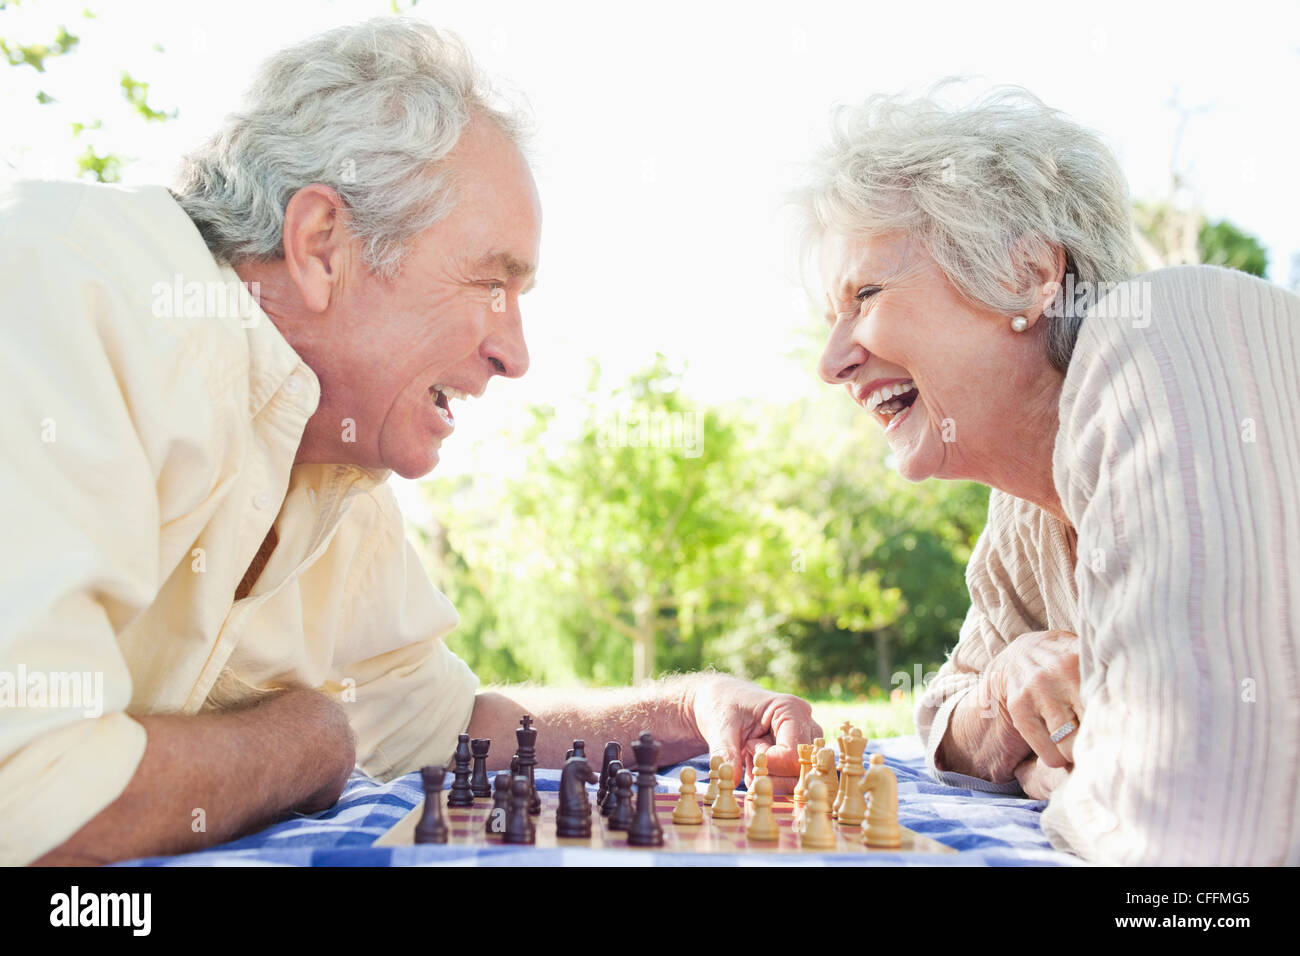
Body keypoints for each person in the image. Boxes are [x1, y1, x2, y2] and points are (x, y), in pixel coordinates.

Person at [0, 17, 819, 867]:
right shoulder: (66, 289)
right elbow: (34, 796)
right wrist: (310, 742)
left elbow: (447, 726)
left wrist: (687, 708)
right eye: (490, 283)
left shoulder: (328, 461)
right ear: (323, 246)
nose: (517, 354)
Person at [802, 86, 1300, 865]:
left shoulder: (1173, 333)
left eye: (864, 295)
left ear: (1031, 273)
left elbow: (1201, 840)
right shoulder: (1026, 509)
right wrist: (1006, 684)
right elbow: (944, 716)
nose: (831, 363)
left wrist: (1053, 772)